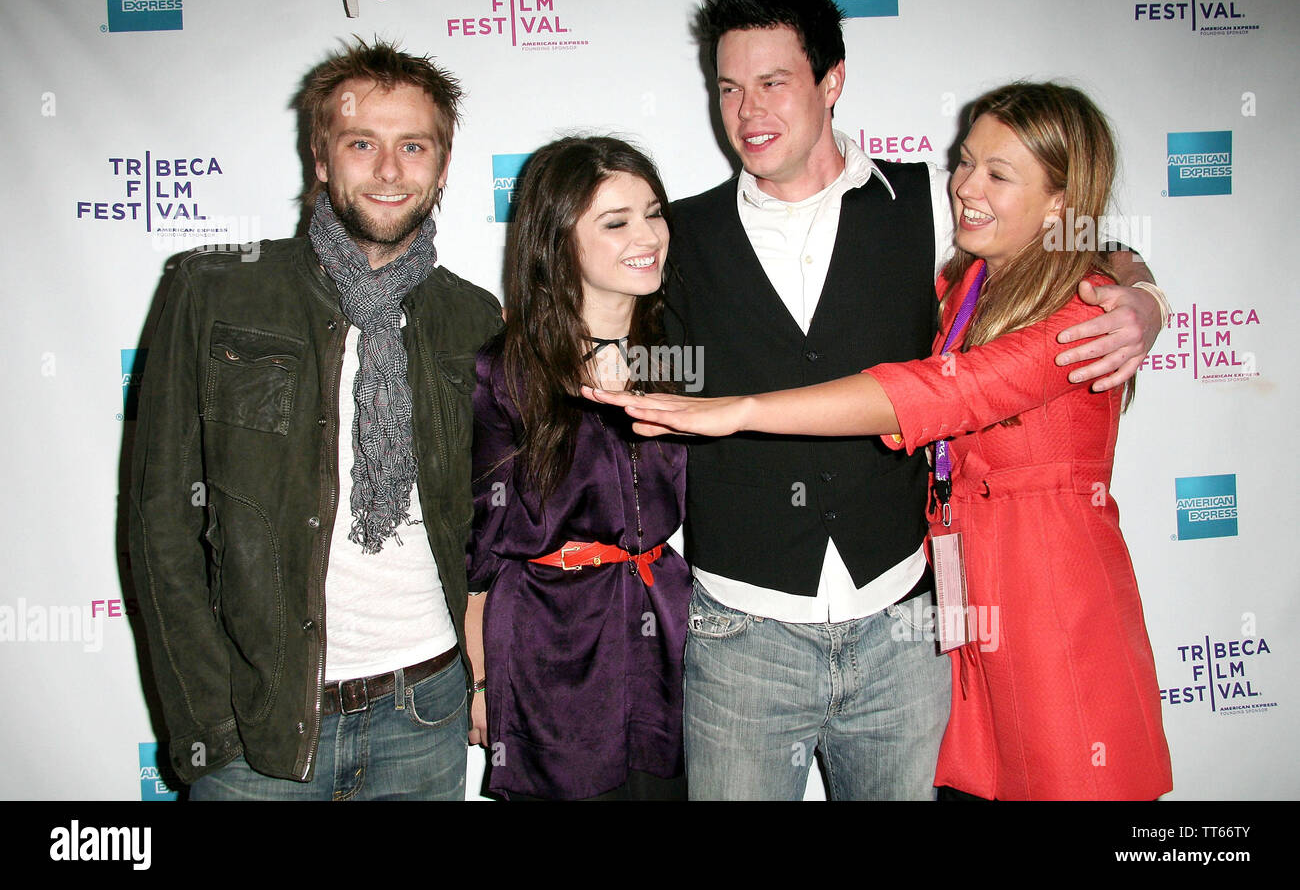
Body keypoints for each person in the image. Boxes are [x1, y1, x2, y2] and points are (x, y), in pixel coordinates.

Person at [589, 81, 1174, 800]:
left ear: (1059, 204)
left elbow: (944, 392)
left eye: (998, 174)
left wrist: (740, 410)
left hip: (1050, 610)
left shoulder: (1080, 313)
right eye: (966, 162)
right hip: (962, 613)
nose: (965, 187)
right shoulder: (967, 286)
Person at [129, 39, 503, 799]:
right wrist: (209, 721)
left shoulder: (472, 317)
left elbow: (491, 525)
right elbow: (160, 522)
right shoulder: (215, 291)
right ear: (321, 158)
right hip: (261, 729)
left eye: (413, 146)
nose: (389, 170)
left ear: (443, 165)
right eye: (362, 144)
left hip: (426, 713)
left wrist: (482, 679)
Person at [466, 136, 691, 800]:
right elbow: (477, 548)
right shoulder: (506, 371)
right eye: (616, 223)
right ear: (558, 242)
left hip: (664, 634)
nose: (648, 236)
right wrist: (480, 682)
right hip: (550, 643)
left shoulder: (678, 356)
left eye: (654, 213)